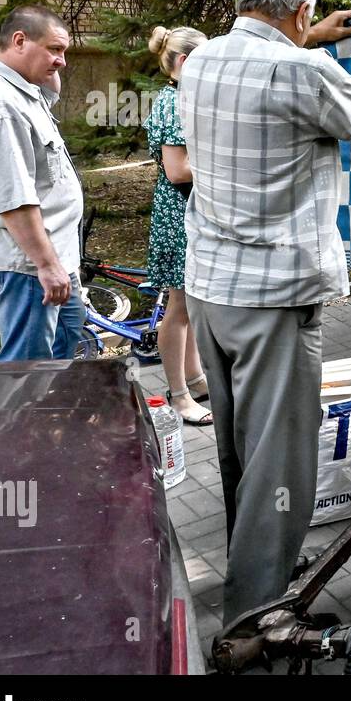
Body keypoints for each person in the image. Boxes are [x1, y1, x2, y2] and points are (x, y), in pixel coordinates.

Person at [178, 0, 351, 624]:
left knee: (236, 450)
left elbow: (267, 63)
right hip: (273, 298)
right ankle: (259, 618)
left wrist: (310, 40)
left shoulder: (201, 60)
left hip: (212, 293)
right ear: (301, 13)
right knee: (278, 458)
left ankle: (258, 564)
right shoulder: (305, 73)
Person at [0, 5, 86, 361]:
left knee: (69, 330)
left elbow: (50, 95)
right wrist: (45, 265)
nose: (62, 62)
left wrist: (47, 66)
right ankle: (21, 416)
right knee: (27, 366)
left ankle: (50, 412)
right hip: (25, 263)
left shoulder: (20, 87)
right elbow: (13, 197)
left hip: (54, 251)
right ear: (19, 40)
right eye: (55, 50)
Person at [143, 25, 211, 425]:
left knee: (188, 306)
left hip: (186, 215)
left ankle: (196, 377)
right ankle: (179, 395)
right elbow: (177, 171)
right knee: (180, 308)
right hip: (177, 217)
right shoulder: (173, 104)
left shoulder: (181, 97)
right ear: (184, 63)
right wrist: (223, 159)